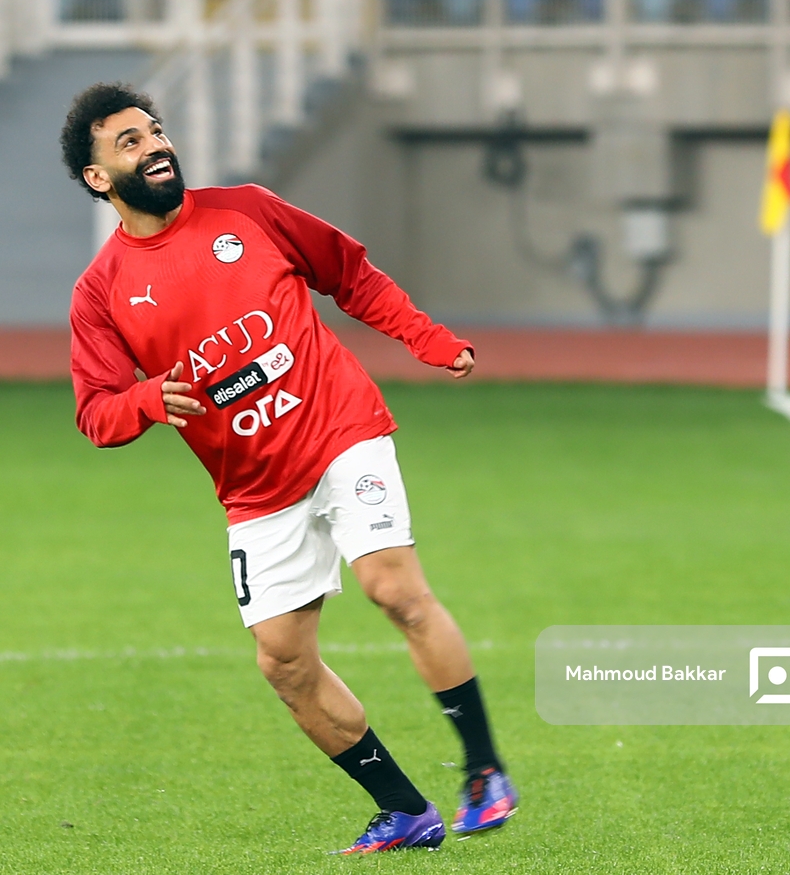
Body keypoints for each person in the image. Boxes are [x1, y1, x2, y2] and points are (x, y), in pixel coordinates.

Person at [61, 81, 517, 855]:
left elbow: (351, 272)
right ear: (98, 178)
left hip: (340, 429)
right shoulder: (100, 293)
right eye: (130, 142)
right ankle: (405, 810)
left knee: (394, 589)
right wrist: (144, 399)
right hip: (253, 487)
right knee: (283, 661)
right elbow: (95, 413)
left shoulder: (245, 209)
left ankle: (483, 772)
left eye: (157, 131)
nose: (156, 145)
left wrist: (429, 339)